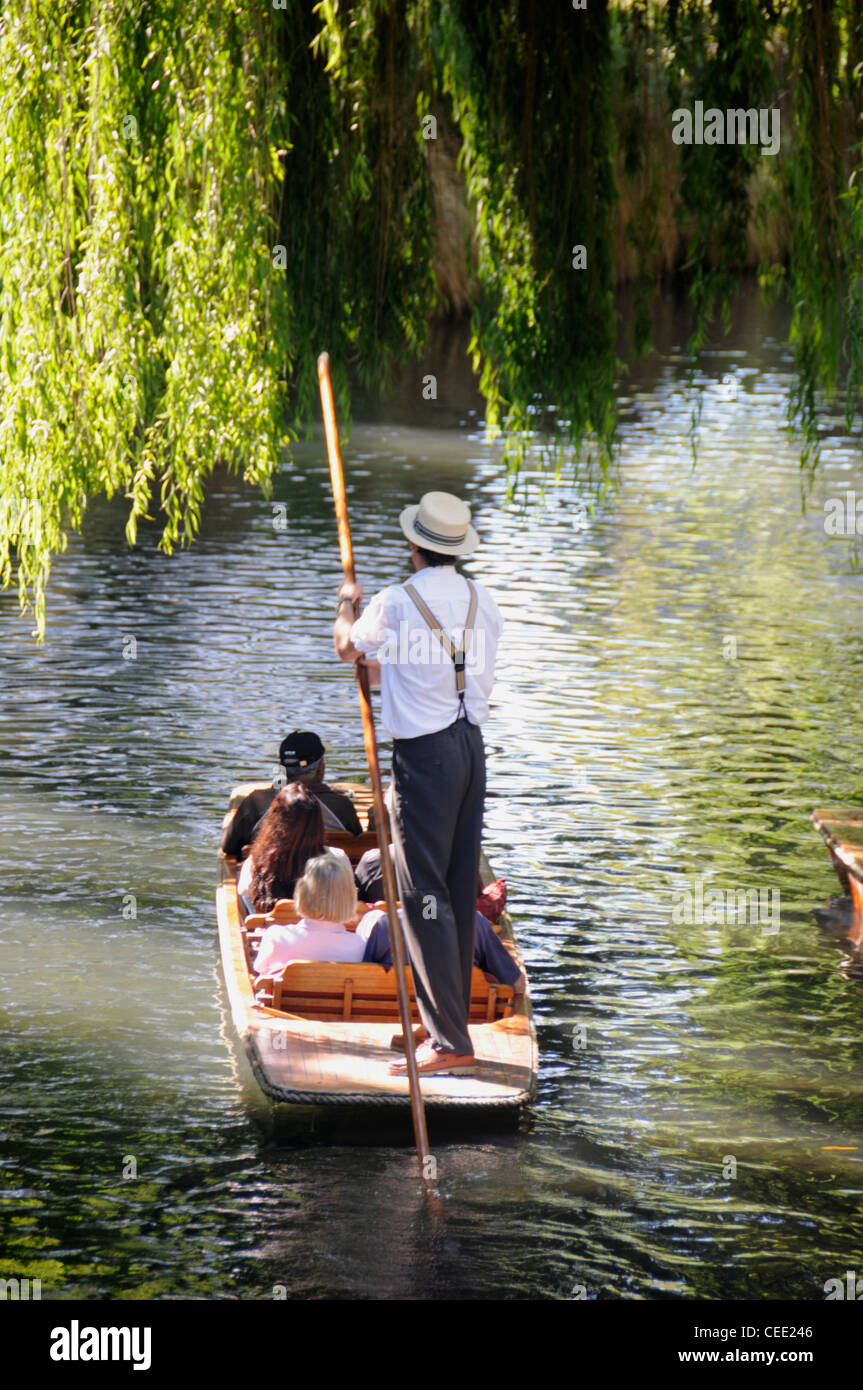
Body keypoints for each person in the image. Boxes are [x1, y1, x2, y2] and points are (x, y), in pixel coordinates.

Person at [334, 490, 503, 1076]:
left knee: (420, 894)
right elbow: (421, 668)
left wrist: (346, 604)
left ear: (414, 545)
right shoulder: (485, 601)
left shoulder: (396, 601)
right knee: (456, 890)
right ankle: (445, 1027)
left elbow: (344, 647)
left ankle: (450, 1041)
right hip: (470, 753)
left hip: (425, 761)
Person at [222, 730, 362, 858]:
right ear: (321, 767)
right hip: (326, 883)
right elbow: (359, 845)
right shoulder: (341, 806)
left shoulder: (256, 803)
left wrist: (278, 784)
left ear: (280, 768)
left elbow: (229, 847)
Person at [358, 907, 525, 997]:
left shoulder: (385, 924)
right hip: (465, 1026)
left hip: (394, 1019)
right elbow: (517, 986)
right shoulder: (476, 923)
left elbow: (365, 981)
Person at [238, 783, 351, 914]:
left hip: (270, 931)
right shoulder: (338, 859)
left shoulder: (255, 863)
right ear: (318, 823)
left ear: (274, 822)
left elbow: (243, 892)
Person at [253, 853, 363, 979]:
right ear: (350, 898)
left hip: (285, 998)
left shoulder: (276, 936)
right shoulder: (359, 946)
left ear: (302, 892)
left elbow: (260, 971)